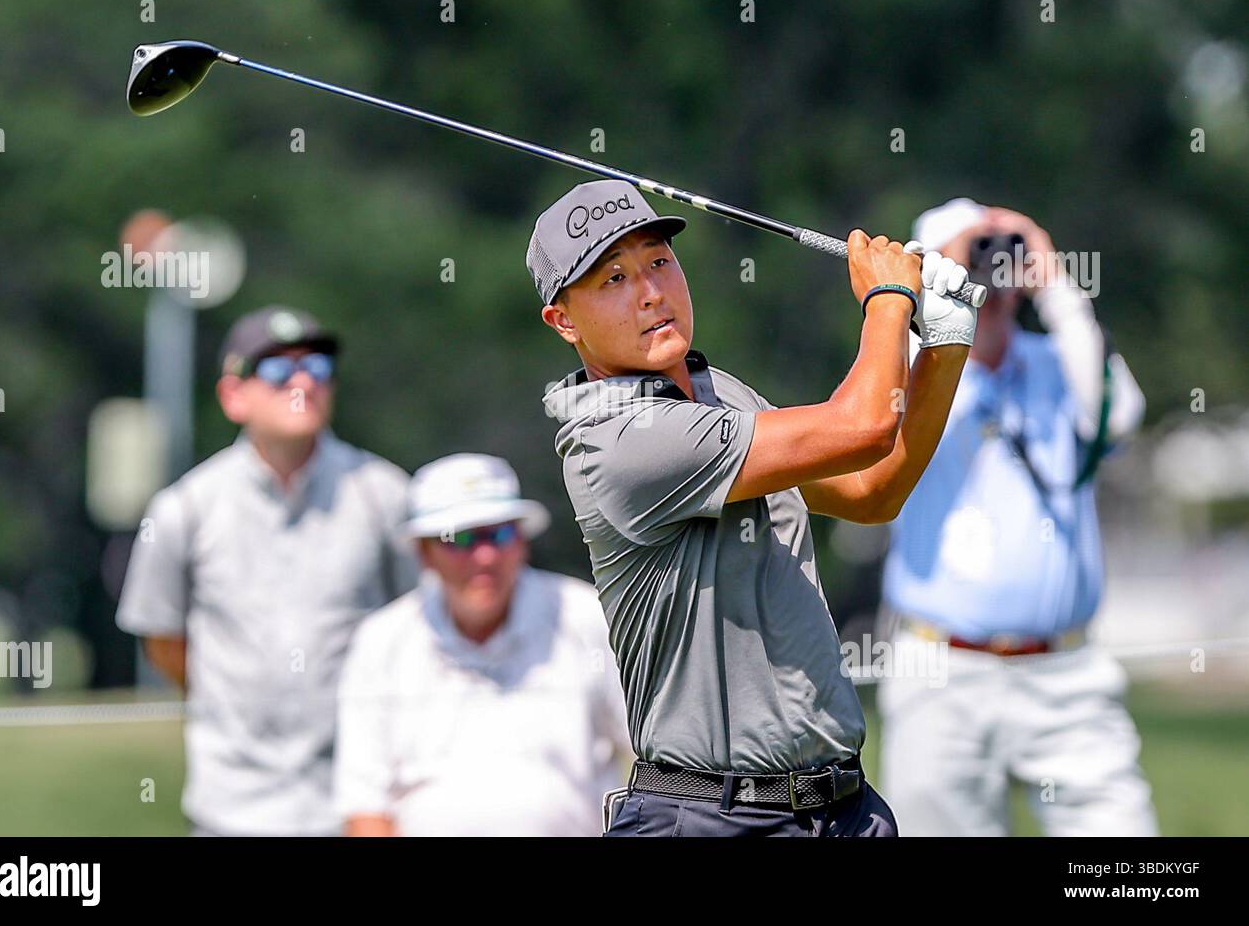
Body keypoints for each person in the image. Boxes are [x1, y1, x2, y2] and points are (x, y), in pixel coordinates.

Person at [532, 180, 979, 836]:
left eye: (659, 261)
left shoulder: (719, 394)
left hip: (842, 810)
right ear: (563, 320)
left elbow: (870, 489)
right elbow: (861, 428)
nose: (651, 292)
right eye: (613, 279)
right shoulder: (616, 438)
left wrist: (941, 346)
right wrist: (889, 300)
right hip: (707, 816)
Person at [878, 198, 1156, 836]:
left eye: (999, 253)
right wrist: (940, 311)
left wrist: (1055, 286)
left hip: (1066, 674)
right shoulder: (913, 379)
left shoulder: (1060, 363)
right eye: (973, 255)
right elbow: (878, 434)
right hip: (941, 671)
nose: (989, 273)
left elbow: (1118, 419)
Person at [116, 305, 419, 836]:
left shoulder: (385, 495)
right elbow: (164, 642)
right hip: (229, 813)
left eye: (318, 367)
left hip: (360, 809)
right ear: (233, 396)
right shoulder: (184, 509)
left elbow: (417, 632)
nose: (303, 380)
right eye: (277, 369)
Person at [334, 453, 630, 836]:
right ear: (425, 554)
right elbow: (365, 806)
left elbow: (647, 754)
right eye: (460, 538)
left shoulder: (585, 616)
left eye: (500, 533)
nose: (485, 556)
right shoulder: (381, 641)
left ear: (521, 541)